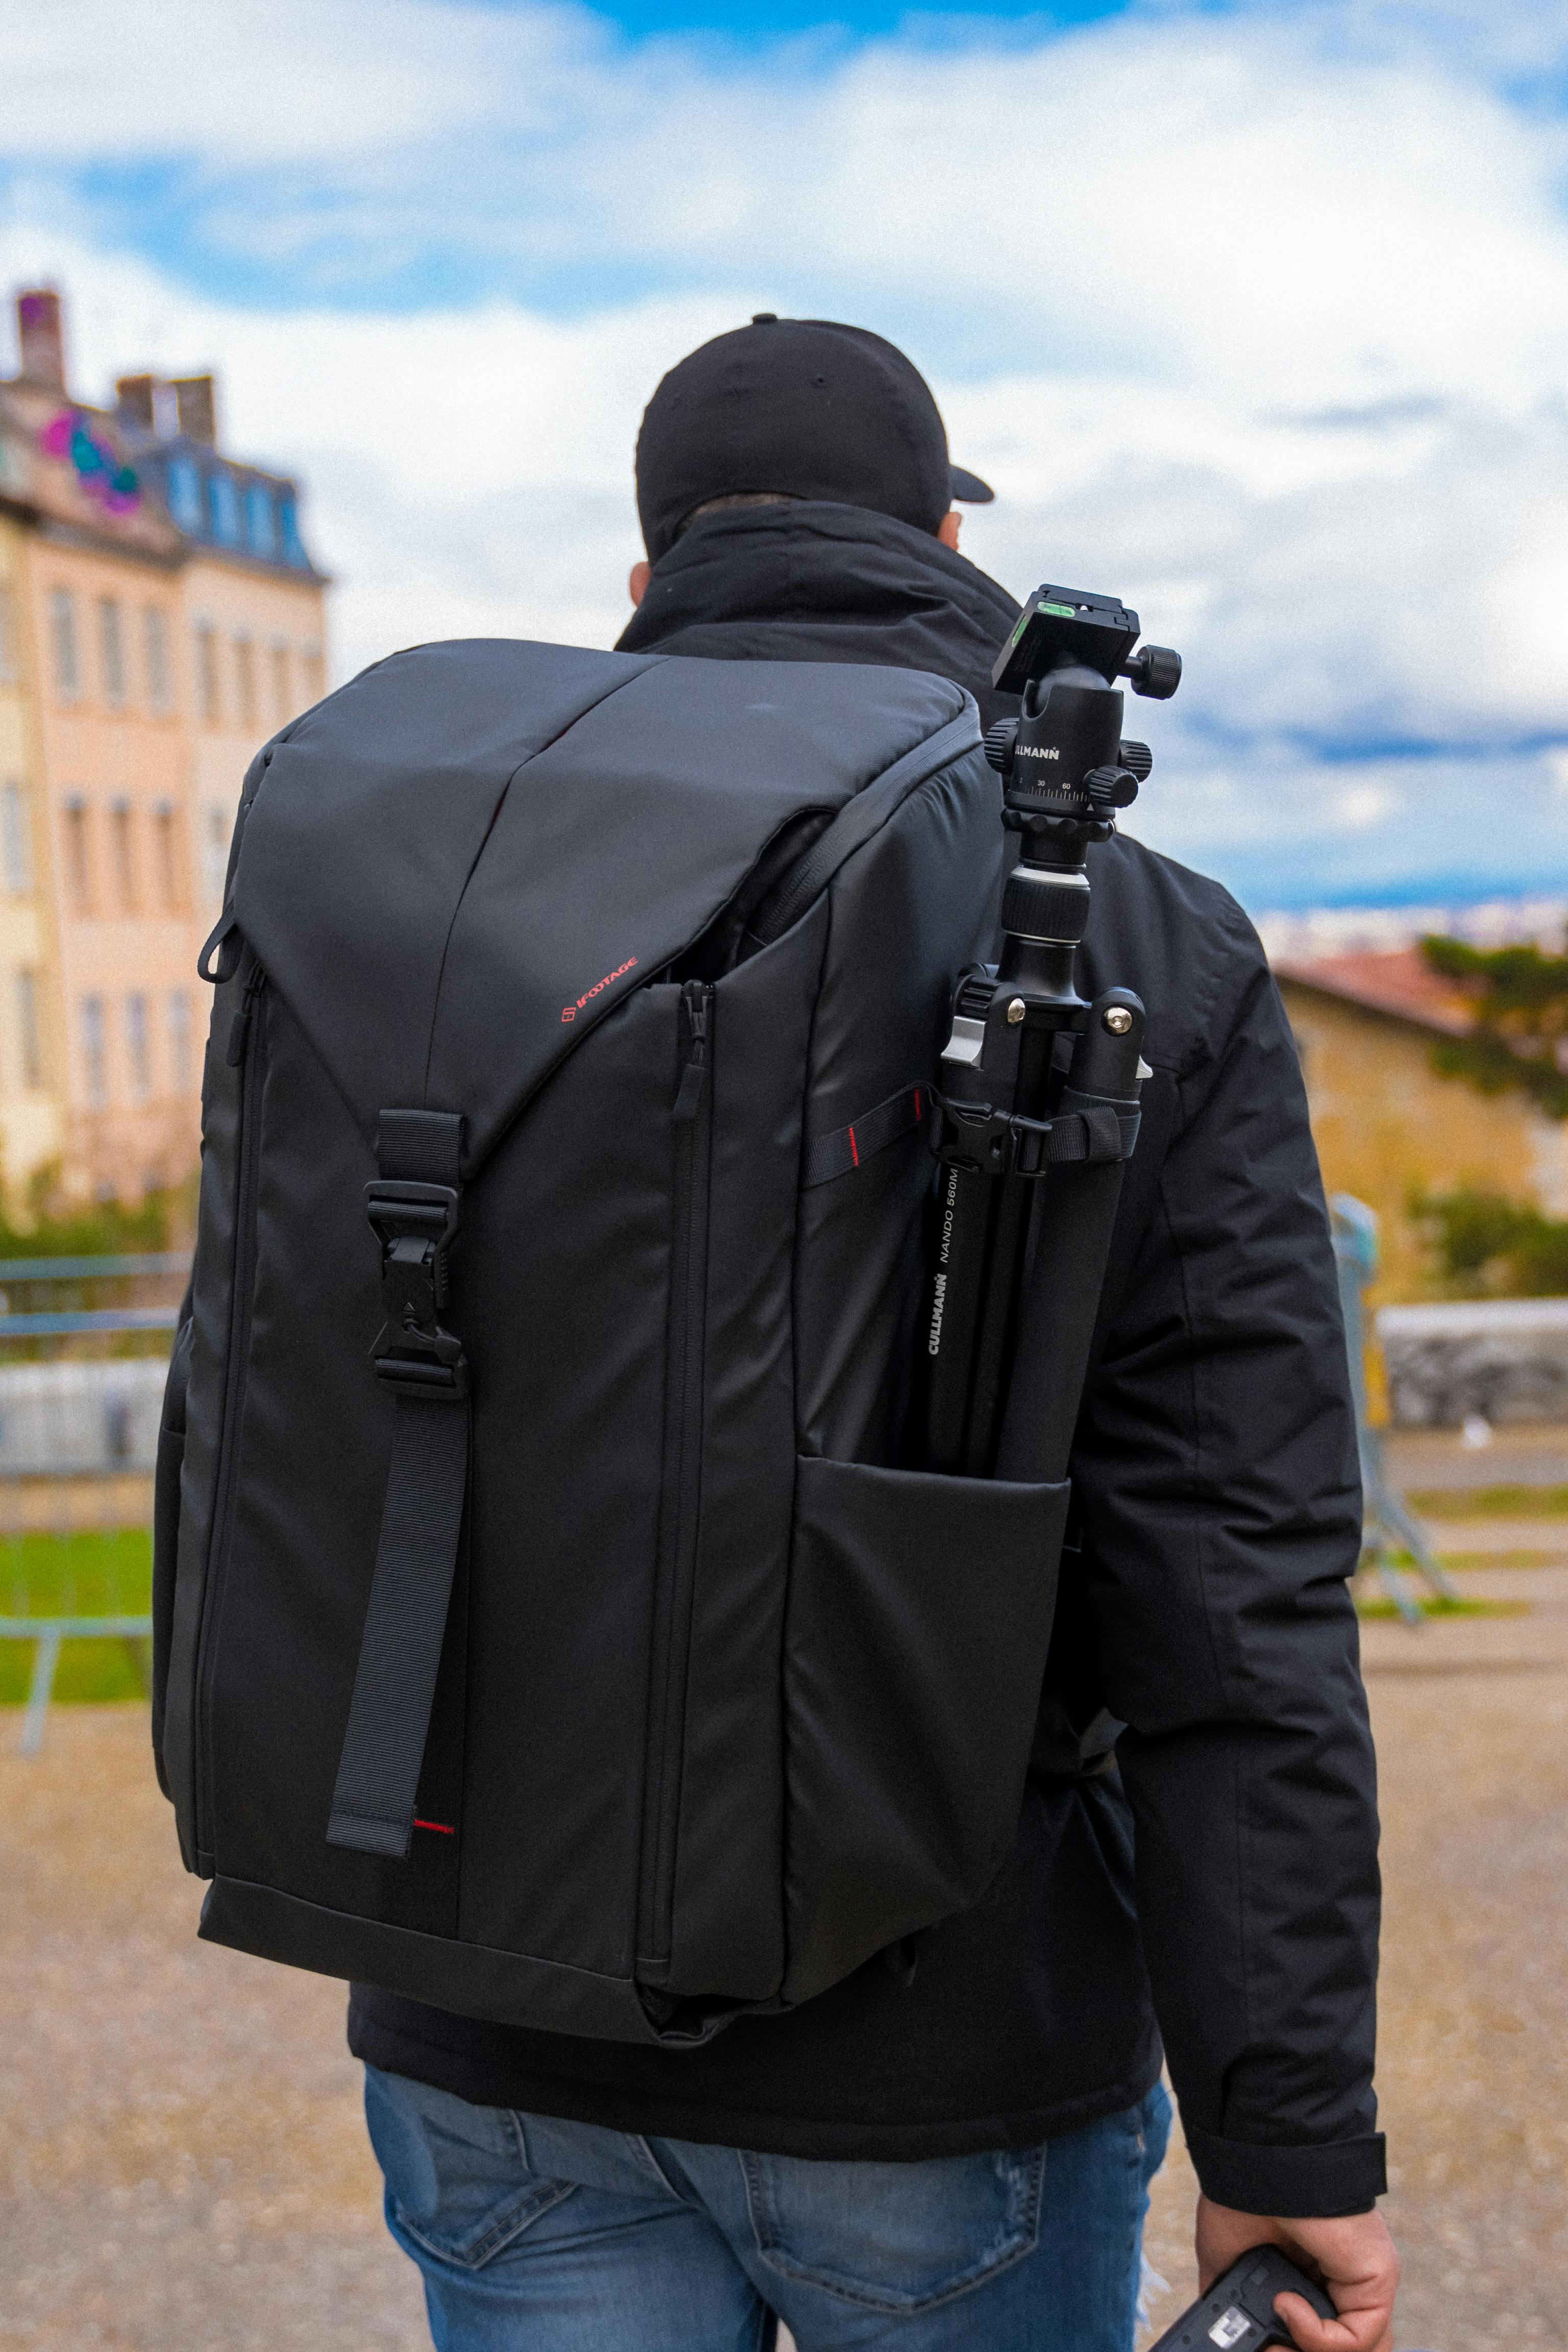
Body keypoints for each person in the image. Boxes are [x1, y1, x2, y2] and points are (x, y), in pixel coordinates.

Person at [350, 317, 1401, 2352]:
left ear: (643, 584)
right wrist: (1292, 2141)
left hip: (494, 2015)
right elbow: (1238, 1591)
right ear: (940, 539)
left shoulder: (430, 899)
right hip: (950, 2044)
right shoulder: (1140, 934)